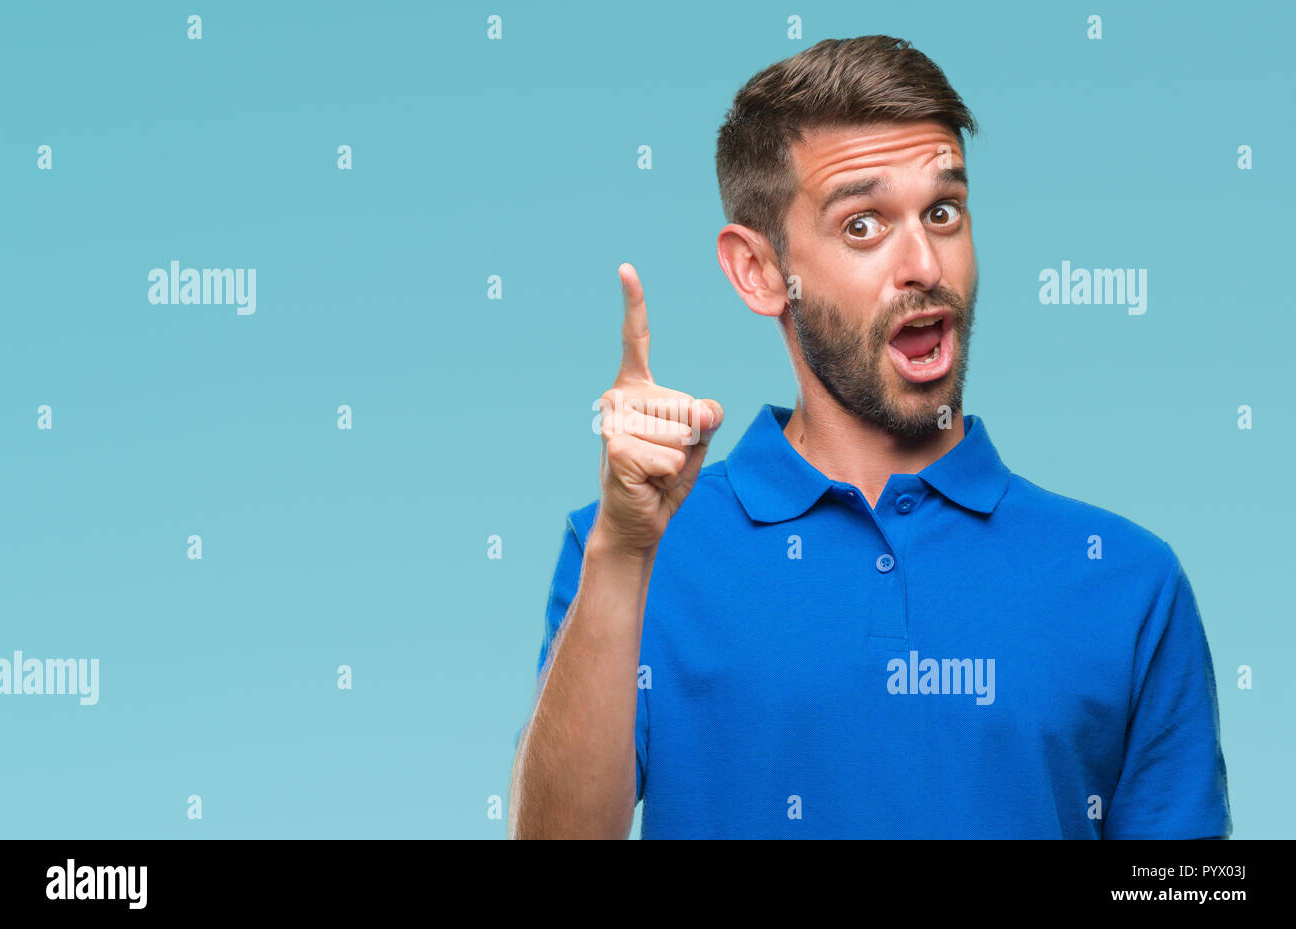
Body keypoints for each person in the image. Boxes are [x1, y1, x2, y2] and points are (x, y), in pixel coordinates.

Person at [508, 35, 1231, 839]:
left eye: (943, 212)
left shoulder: (1130, 581)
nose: (924, 263)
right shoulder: (631, 553)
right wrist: (620, 553)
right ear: (757, 271)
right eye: (863, 225)